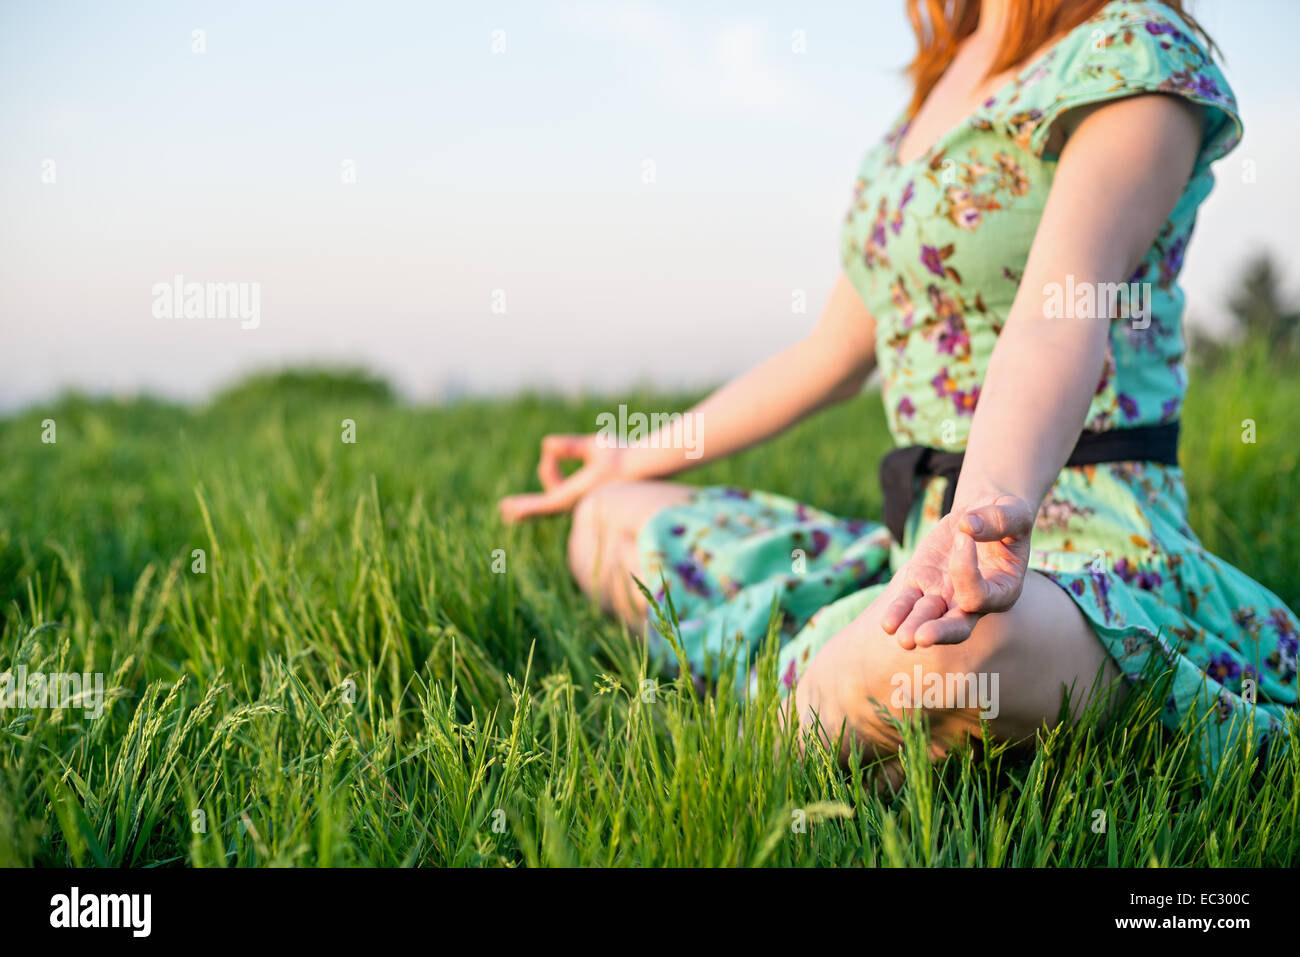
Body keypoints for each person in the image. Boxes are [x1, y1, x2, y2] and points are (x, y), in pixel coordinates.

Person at [500, 0, 1298, 774]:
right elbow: (830, 354)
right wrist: (631, 457)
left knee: (961, 653)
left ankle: (776, 739)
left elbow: (1060, 313)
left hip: (1080, 535)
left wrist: (977, 522)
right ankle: (859, 709)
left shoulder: (1133, 50)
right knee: (606, 521)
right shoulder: (930, 95)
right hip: (917, 547)